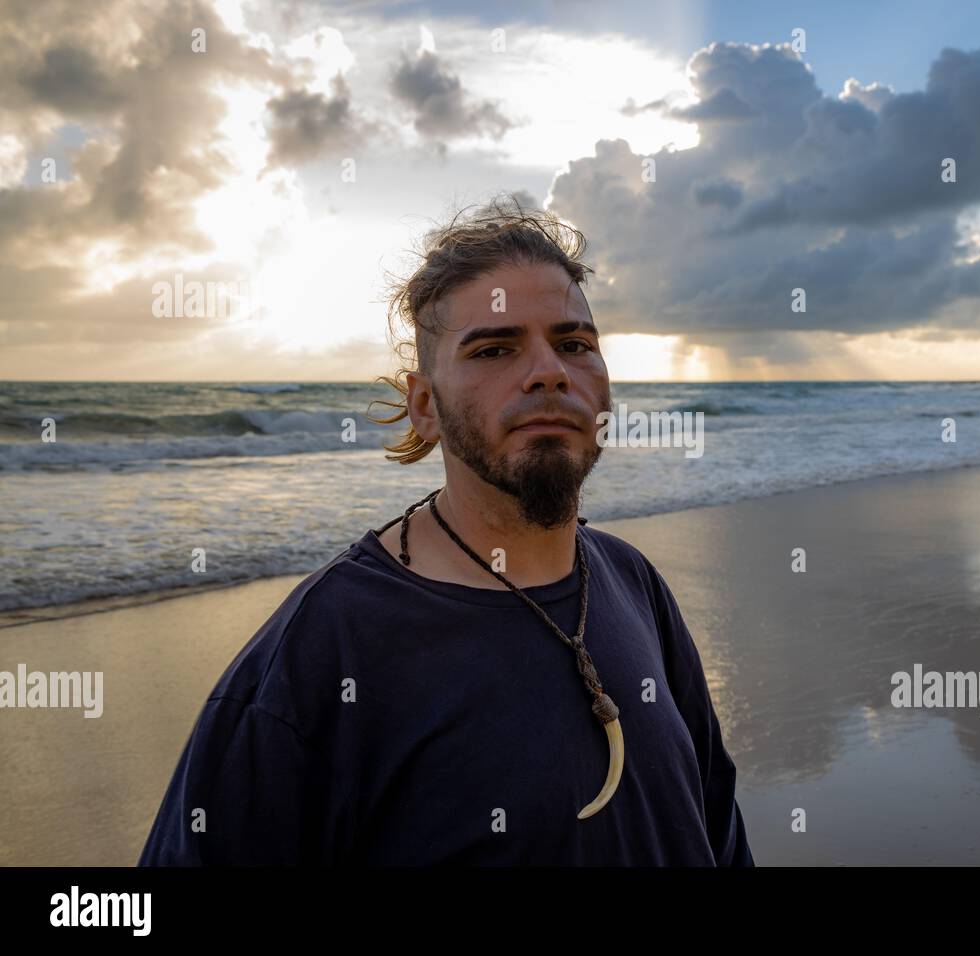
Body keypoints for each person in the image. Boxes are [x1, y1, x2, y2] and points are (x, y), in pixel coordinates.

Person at [137, 196, 755, 866]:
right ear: (425, 406)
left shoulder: (633, 583)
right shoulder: (325, 650)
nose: (549, 371)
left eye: (574, 344)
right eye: (494, 348)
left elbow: (718, 828)